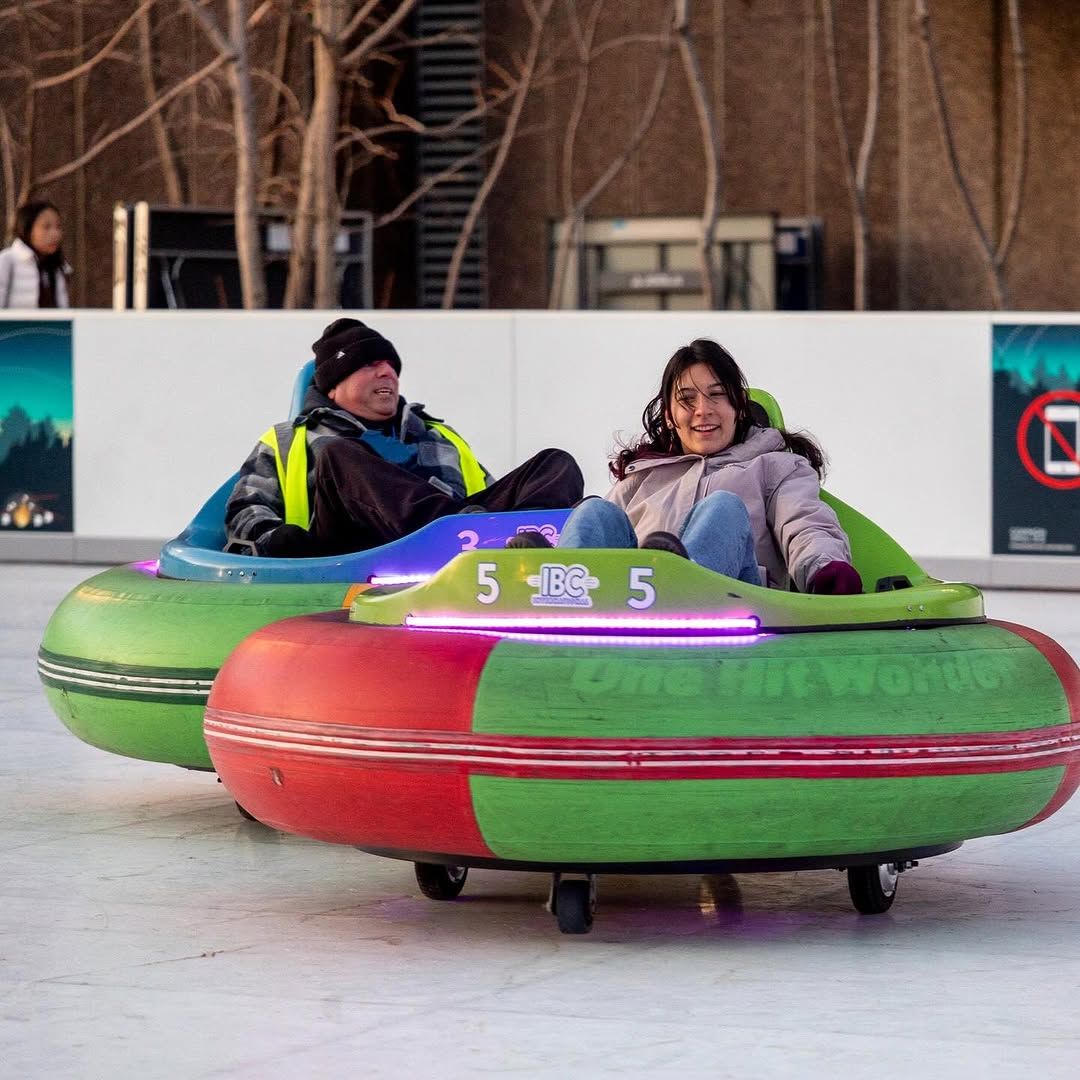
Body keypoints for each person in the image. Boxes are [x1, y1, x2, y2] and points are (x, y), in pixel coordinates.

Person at [225, 318, 584, 557]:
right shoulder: (292, 440)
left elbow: (484, 494)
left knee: (555, 463)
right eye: (369, 365)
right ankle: (453, 534)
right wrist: (278, 540)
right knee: (340, 455)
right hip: (350, 553)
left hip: (465, 545)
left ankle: (532, 544)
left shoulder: (439, 436)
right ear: (333, 386)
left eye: (391, 366)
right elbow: (244, 511)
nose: (387, 372)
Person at [548, 338, 862, 594]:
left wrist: (826, 570)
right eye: (687, 400)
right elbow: (600, 533)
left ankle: (680, 583)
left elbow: (806, 525)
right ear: (670, 416)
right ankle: (557, 584)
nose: (703, 411)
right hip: (636, 600)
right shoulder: (642, 476)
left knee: (724, 508)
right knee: (595, 511)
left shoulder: (776, 468)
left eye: (717, 395)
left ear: (738, 407)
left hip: (734, 600)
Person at [0, 200, 71, 309]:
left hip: (48, 326)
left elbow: (63, 315)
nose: (55, 234)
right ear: (28, 230)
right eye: (46, 227)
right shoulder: (7, 261)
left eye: (58, 227)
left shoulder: (57, 268)